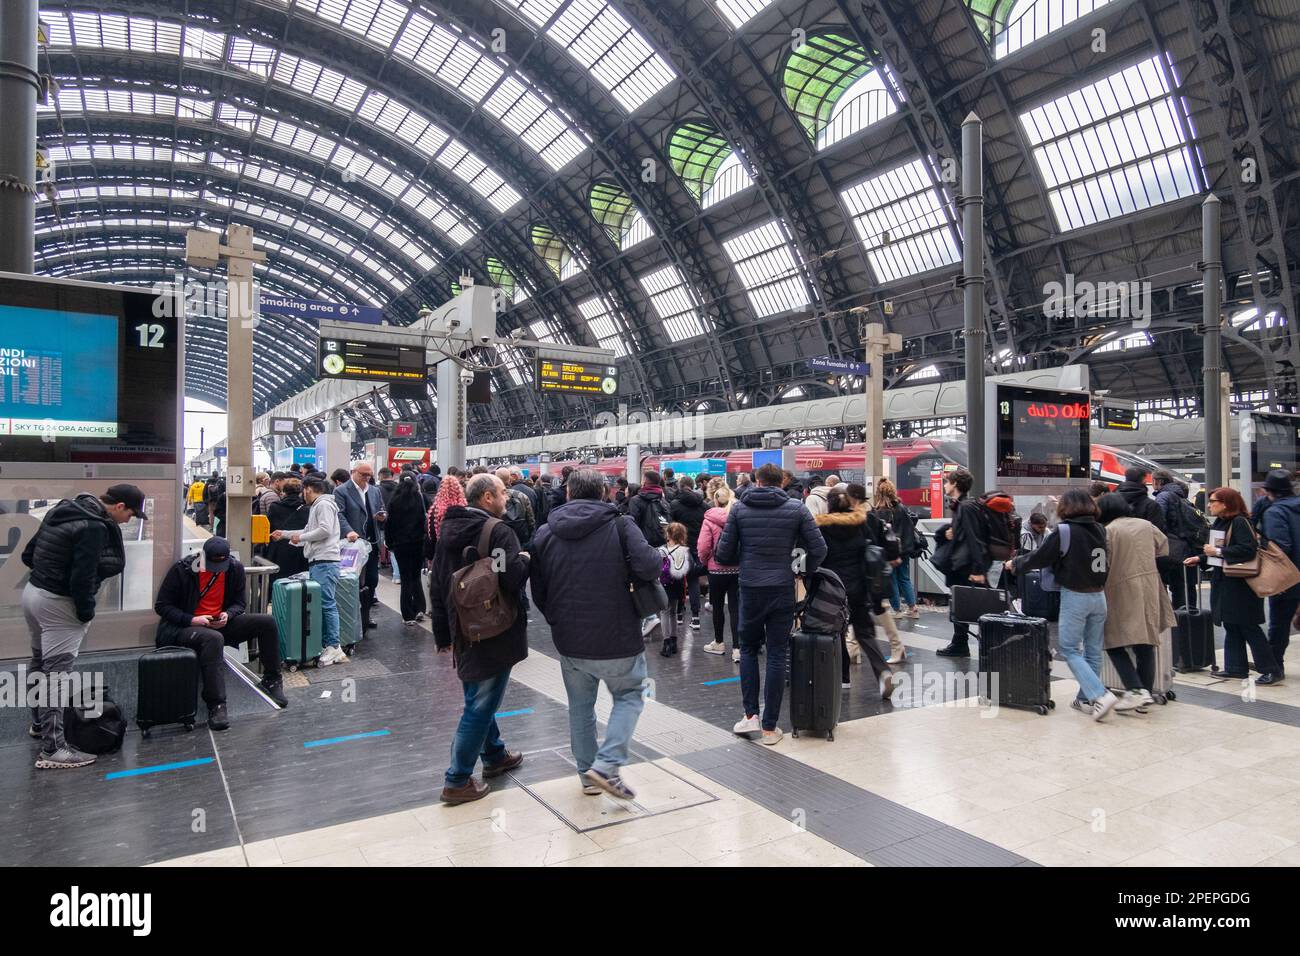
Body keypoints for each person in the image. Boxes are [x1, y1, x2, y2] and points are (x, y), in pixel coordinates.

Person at [529, 468, 663, 799]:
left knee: (579, 706)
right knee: (631, 695)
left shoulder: (546, 533)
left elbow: (539, 591)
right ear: (604, 493)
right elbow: (649, 566)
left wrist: (558, 620)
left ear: (569, 493)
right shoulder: (620, 525)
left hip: (570, 640)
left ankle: (587, 776)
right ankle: (607, 765)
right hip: (618, 637)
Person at [22, 484, 143, 769]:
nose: (130, 521)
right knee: (57, 676)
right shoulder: (95, 527)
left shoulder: (63, 509)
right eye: (132, 514)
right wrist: (85, 612)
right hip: (59, 605)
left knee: (39, 663)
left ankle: (39, 725)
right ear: (119, 506)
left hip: (33, 594)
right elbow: (82, 577)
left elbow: (29, 554)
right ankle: (53, 749)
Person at [428, 474, 530, 804]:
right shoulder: (499, 532)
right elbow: (511, 577)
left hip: (463, 628)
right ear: (487, 498)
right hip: (494, 629)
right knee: (480, 704)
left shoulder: (448, 530)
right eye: (502, 493)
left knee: (478, 694)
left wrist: (442, 634)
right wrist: (525, 560)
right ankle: (457, 779)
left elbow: (438, 583)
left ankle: (495, 755)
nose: (506, 497)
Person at [715, 463, 827, 745]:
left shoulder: (738, 509)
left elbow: (724, 553)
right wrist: (802, 568)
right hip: (781, 588)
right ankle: (770, 729)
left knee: (749, 650)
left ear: (756, 481)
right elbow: (819, 548)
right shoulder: (796, 508)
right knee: (777, 653)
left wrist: (747, 559)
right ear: (781, 482)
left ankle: (750, 716)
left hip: (750, 588)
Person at [1008, 488, 1128, 720]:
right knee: (1092, 650)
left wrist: (1015, 563)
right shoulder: (1100, 529)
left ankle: (1100, 694)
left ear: (1066, 507)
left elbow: (1040, 557)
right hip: (1099, 596)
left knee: (1070, 649)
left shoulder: (1064, 531)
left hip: (1076, 595)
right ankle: (1086, 698)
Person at [154, 537, 289, 729]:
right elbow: (162, 606)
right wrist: (192, 619)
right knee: (213, 639)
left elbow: (239, 603)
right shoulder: (182, 570)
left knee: (267, 622)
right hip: (185, 627)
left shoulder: (234, 569)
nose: (216, 570)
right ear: (202, 557)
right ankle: (216, 704)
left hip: (218, 624)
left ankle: (272, 681)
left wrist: (228, 614)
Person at [1185, 487, 1284, 684]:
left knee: (1248, 627)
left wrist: (1217, 551)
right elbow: (1219, 552)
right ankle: (1235, 668)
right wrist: (1201, 558)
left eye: (1213, 501)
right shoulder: (1223, 521)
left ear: (1226, 503)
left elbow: (1247, 550)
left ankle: (1271, 669)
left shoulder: (1239, 521)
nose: (1209, 504)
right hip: (1227, 581)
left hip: (1241, 584)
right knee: (1232, 625)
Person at [1094, 493, 1174, 711]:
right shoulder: (1146, 525)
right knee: (1145, 643)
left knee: (1113, 642)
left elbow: (1100, 564)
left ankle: (1136, 690)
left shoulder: (1108, 531)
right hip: (1150, 586)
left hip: (1119, 589)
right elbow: (1164, 547)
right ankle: (1144, 695)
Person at [815, 487, 896, 695]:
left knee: (834, 633)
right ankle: (883, 672)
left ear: (829, 505)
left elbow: (816, 555)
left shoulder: (821, 527)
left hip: (832, 588)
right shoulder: (860, 523)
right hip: (859, 586)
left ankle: (841, 677)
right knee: (865, 633)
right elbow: (871, 548)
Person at [271, 476, 348, 666]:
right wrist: (285, 535)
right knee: (323, 603)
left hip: (325, 561)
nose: (301, 495)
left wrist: (301, 537)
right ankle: (329, 644)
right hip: (319, 560)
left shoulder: (323, 505)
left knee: (326, 603)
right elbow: (308, 530)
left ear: (308, 489)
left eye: (302, 491)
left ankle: (334, 646)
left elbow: (324, 530)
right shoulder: (318, 506)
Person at [933, 468, 992, 658]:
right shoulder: (961, 505)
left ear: (955, 484)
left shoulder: (965, 507)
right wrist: (946, 531)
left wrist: (978, 569)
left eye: (947, 481)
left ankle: (971, 645)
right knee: (961, 604)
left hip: (966, 566)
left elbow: (975, 539)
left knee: (968, 606)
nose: (944, 485)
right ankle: (960, 643)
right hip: (962, 564)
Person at [1259, 469, 1299, 677]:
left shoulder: (1275, 513)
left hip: (1290, 578)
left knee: (1280, 623)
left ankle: (1274, 668)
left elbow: (1281, 548)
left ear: (1268, 491)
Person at [334, 463, 385, 630]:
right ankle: (351, 615)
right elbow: (339, 514)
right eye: (363, 474)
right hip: (352, 545)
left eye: (369, 475)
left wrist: (383, 516)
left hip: (371, 543)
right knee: (351, 580)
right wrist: (348, 531)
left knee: (372, 580)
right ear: (353, 472)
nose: (367, 478)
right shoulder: (341, 491)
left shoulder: (374, 490)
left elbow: (382, 508)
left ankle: (365, 614)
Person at [697, 484, 741, 661]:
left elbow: (703, 546)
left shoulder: (709, 519)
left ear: (715, 500)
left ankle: (719, 642)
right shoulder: (738, 516)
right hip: (738, 568)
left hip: (716, 570)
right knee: (736, 608)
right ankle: (737, 648)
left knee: (717, 607)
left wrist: (705, 561)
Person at [385, 473, 429, 626]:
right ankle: (419, 608)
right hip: (417, 543)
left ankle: (407, 615)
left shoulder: (394, 500)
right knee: (415, 576)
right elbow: (424, 520)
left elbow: (389, 523)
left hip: (400, 544)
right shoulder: (419, 498)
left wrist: (390, 543)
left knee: (405, 578)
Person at [873, 479, 919, 620]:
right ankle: (913, 608)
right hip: (904, 549)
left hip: (890, 551)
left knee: (892, 578)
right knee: (904, 578)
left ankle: (897, 609)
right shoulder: (902, 508)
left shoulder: (881, 511)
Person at [1152, 469, 1198, 608]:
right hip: (1186, 546)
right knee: (1185, 586)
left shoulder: (1163, 496)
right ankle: (1190, 617)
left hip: (1172, 547)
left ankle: (1180, 620)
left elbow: (1159, 522)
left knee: (1175, 585)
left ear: (1158, 481)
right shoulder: (1181, 496)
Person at [669, 475, 706, 629]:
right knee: (693, 581)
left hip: (679, 547)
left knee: (678, 580)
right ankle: (696, 617)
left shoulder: (674, 504)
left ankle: (678, 614)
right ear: (692, 486)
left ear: (680, 486)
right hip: (697, 546)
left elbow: (670, 527)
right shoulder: (704, 505)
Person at [265, 477, 310, 582]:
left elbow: (269, 526)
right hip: (300, 551)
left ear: (284, 491)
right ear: (300, 492)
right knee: (298, 583)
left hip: (278, 550)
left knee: (279, 582)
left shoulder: (275, 507)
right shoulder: (306, 509)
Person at [659, 522, 692, 656]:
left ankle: (666, 643)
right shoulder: (684, 549)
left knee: (664, 613)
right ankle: (674, 642)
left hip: (666, 584)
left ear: (668, 535)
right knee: (673, 612)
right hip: (678, 584)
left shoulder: (662, 550)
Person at [627, 470, 672, 547]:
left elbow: (633, 525)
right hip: (664, 544)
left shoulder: (636, 500)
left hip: (644, 545)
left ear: (644, 482)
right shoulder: (664, 501)